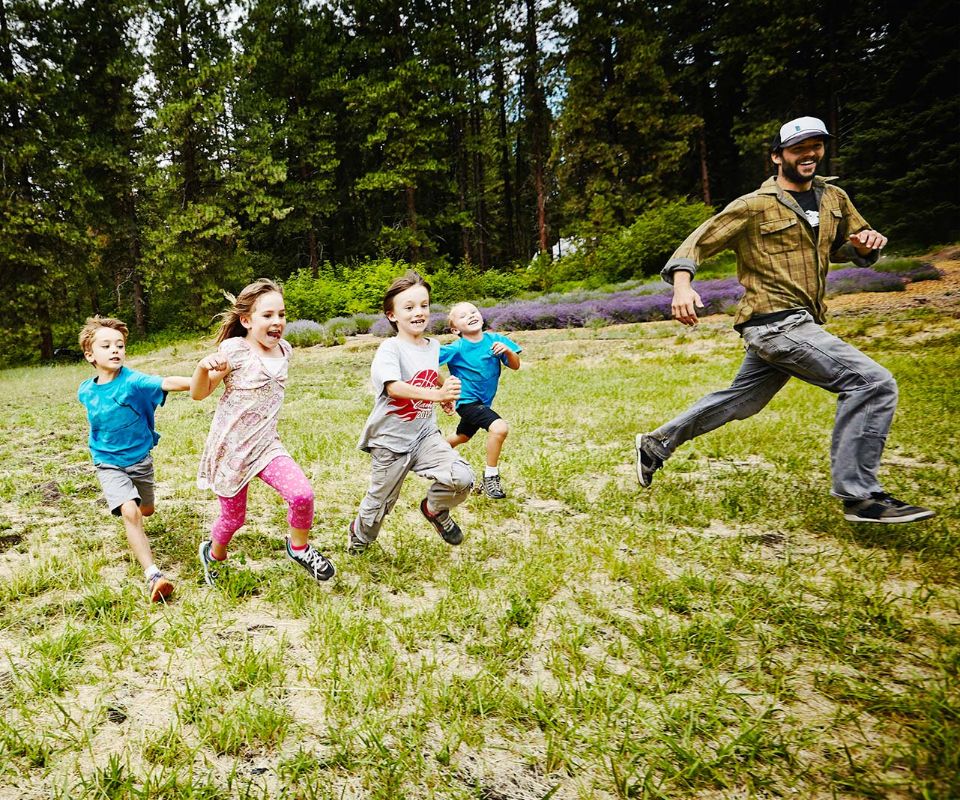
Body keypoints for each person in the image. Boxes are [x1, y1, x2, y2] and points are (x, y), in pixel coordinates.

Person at [635, 116, 934, 524]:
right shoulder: (754, 206)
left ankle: (656, 444)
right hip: (774, 324)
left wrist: (866, 247)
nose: (809, 154)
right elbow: (696, 243)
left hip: (801, 322)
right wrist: (682, 287)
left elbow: (845, 248)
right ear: (778, 156)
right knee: (872, 383)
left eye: (816, 146)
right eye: (799, 148)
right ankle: (861, 496)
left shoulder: (834, 198)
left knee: (743, 400)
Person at [192, 279, 335, 585]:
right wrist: (202, 368)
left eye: (281, 315)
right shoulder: (234, 350)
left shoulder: (285, 350)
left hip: (267, 446)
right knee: (233, 518)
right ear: (246, 320)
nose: (277, 322)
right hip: (232, 451)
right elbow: (199, 393)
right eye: (267, 315)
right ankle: (213, 554)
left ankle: (299, 548)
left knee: (302, 495)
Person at [349, 271, 475, 554]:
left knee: (462, 477)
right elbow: (394, 387)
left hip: (425, 436)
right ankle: (360, 537)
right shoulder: (390, 349)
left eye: (423, 305)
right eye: (409, 307)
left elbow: (428, 371)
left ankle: (434, 509)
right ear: (392, 315)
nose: (418, 312)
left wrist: (443, 390)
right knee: (380, 503)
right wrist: (437, 395)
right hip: (390, 442)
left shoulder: (433, 346)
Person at [77, 317, 191, 602]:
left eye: (120, 345)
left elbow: (167, 382)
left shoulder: (134, 381)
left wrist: (202, 379)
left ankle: (142, 507)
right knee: (130, 512)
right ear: (90, 355)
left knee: (146, 509)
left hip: (140, 460)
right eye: (106, 346)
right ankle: (153, 575)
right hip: (107, 462)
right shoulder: (85, 390)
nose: (115, 350)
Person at [440, 302, 522, 499]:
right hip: (466, 402)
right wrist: (445, 388)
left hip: (483, 403)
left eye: (473, 312)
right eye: (463, 316)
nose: (470, 316)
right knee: (499, 428)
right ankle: (491, 477)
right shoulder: (457, 348)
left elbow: (515, 365)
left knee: (462, 437)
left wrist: (508, 351)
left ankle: (431, 452)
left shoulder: (496, 340)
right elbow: (426, 363)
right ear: (455, 329)